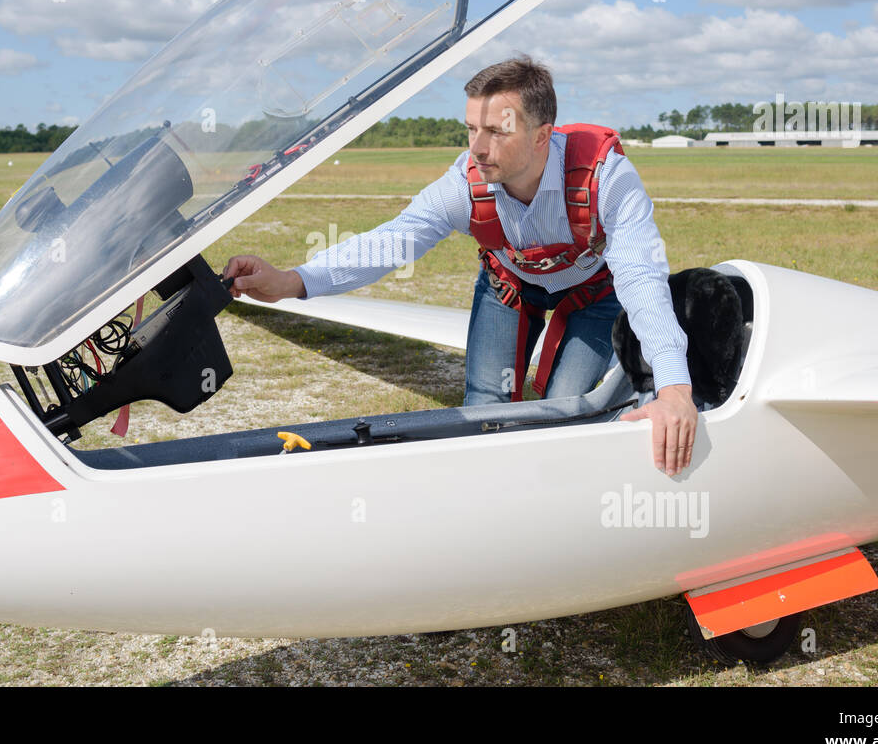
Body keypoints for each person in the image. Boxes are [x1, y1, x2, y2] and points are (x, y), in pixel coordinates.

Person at [223, 57, 697, 475]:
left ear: (541, 137)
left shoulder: (606, 177)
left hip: (594, 294)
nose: (477, 147)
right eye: (472, 128)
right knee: (483, 411)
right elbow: (392, 242)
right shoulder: (464, 184)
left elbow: (640, 275)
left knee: (567, 412)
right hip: (509, 287)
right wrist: (291, 282)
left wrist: (674, 388)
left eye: (496, 132)